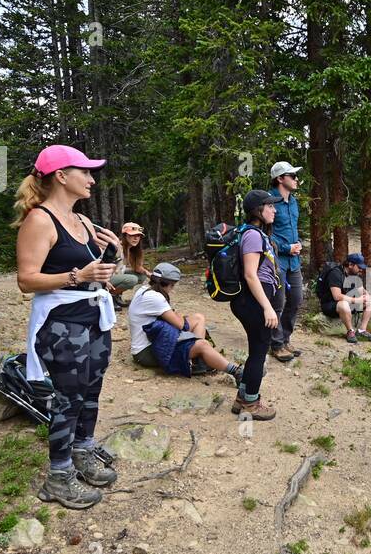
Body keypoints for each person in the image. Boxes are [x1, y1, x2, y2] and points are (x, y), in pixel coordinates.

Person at [14, 144, 121, 510]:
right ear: (61, 176)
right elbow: (26, 280)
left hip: (93, 319)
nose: (92, 179)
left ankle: (83, 451)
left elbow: (99, 271)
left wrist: (114, 253)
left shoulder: (83, 221)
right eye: (85, 172)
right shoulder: (40, 220)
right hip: (61, 325)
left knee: (91, 391)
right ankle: (58, 477)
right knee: (68, 398)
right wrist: (76, 276)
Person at [129, 262, 242, 382]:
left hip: (156, 339)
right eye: (173, 286)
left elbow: (174, 317)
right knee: (203, 345)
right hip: (146, 352)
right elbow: (181, 325)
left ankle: (198, 360)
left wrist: (177, 316)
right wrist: (177, 316)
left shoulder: (145, 289)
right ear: (169, 284)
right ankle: (236, 371)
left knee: (198, 318)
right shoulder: (155, 298)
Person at [230, 189, 281, 420]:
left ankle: (242, 398)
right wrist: (267, 307)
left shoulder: (257, 233)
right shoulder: (252, 235)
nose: (274, 209)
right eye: (269, 205)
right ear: (257, 210)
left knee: (256, 350)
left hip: (253, 300)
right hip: (253, 301)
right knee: (260, 351)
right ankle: (251, 403)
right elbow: (251, 275)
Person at [268, 160, 304, 362]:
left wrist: (297, 244)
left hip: (294, 261)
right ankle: (276, 344)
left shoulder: (293, 201)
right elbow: (265, 234)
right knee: (277, 302)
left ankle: (286, 337)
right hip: (276, 261)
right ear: (280, 179)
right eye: (292, 176)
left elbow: (292, 228)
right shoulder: (269, 201)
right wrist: (285, 248)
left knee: (297, 299)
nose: (296, 179)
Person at [318, 252, 371, 343]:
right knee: (344, 304)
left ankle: (362, 330)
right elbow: (337, 296)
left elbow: (362, 290)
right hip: (330, 304)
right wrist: (357, 300)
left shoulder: (354, 275)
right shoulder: (335, 273)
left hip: (348, 302)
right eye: (359, 267)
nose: (361, 270)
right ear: (350, 265)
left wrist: (366, 297)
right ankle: (350, 331)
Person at [108, 222, 148, 308]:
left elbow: (138, 268)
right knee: (132, 279)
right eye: (133, 235)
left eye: (138, 236)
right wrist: (105, 281)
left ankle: (117, 295)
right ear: (125, 236)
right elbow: (102, 265)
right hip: (105, 279)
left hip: (116, 275)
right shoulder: (116, 248)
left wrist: (150, 275)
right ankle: (110, 296)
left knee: (142, 276)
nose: (136, 238)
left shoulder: (132, 250)